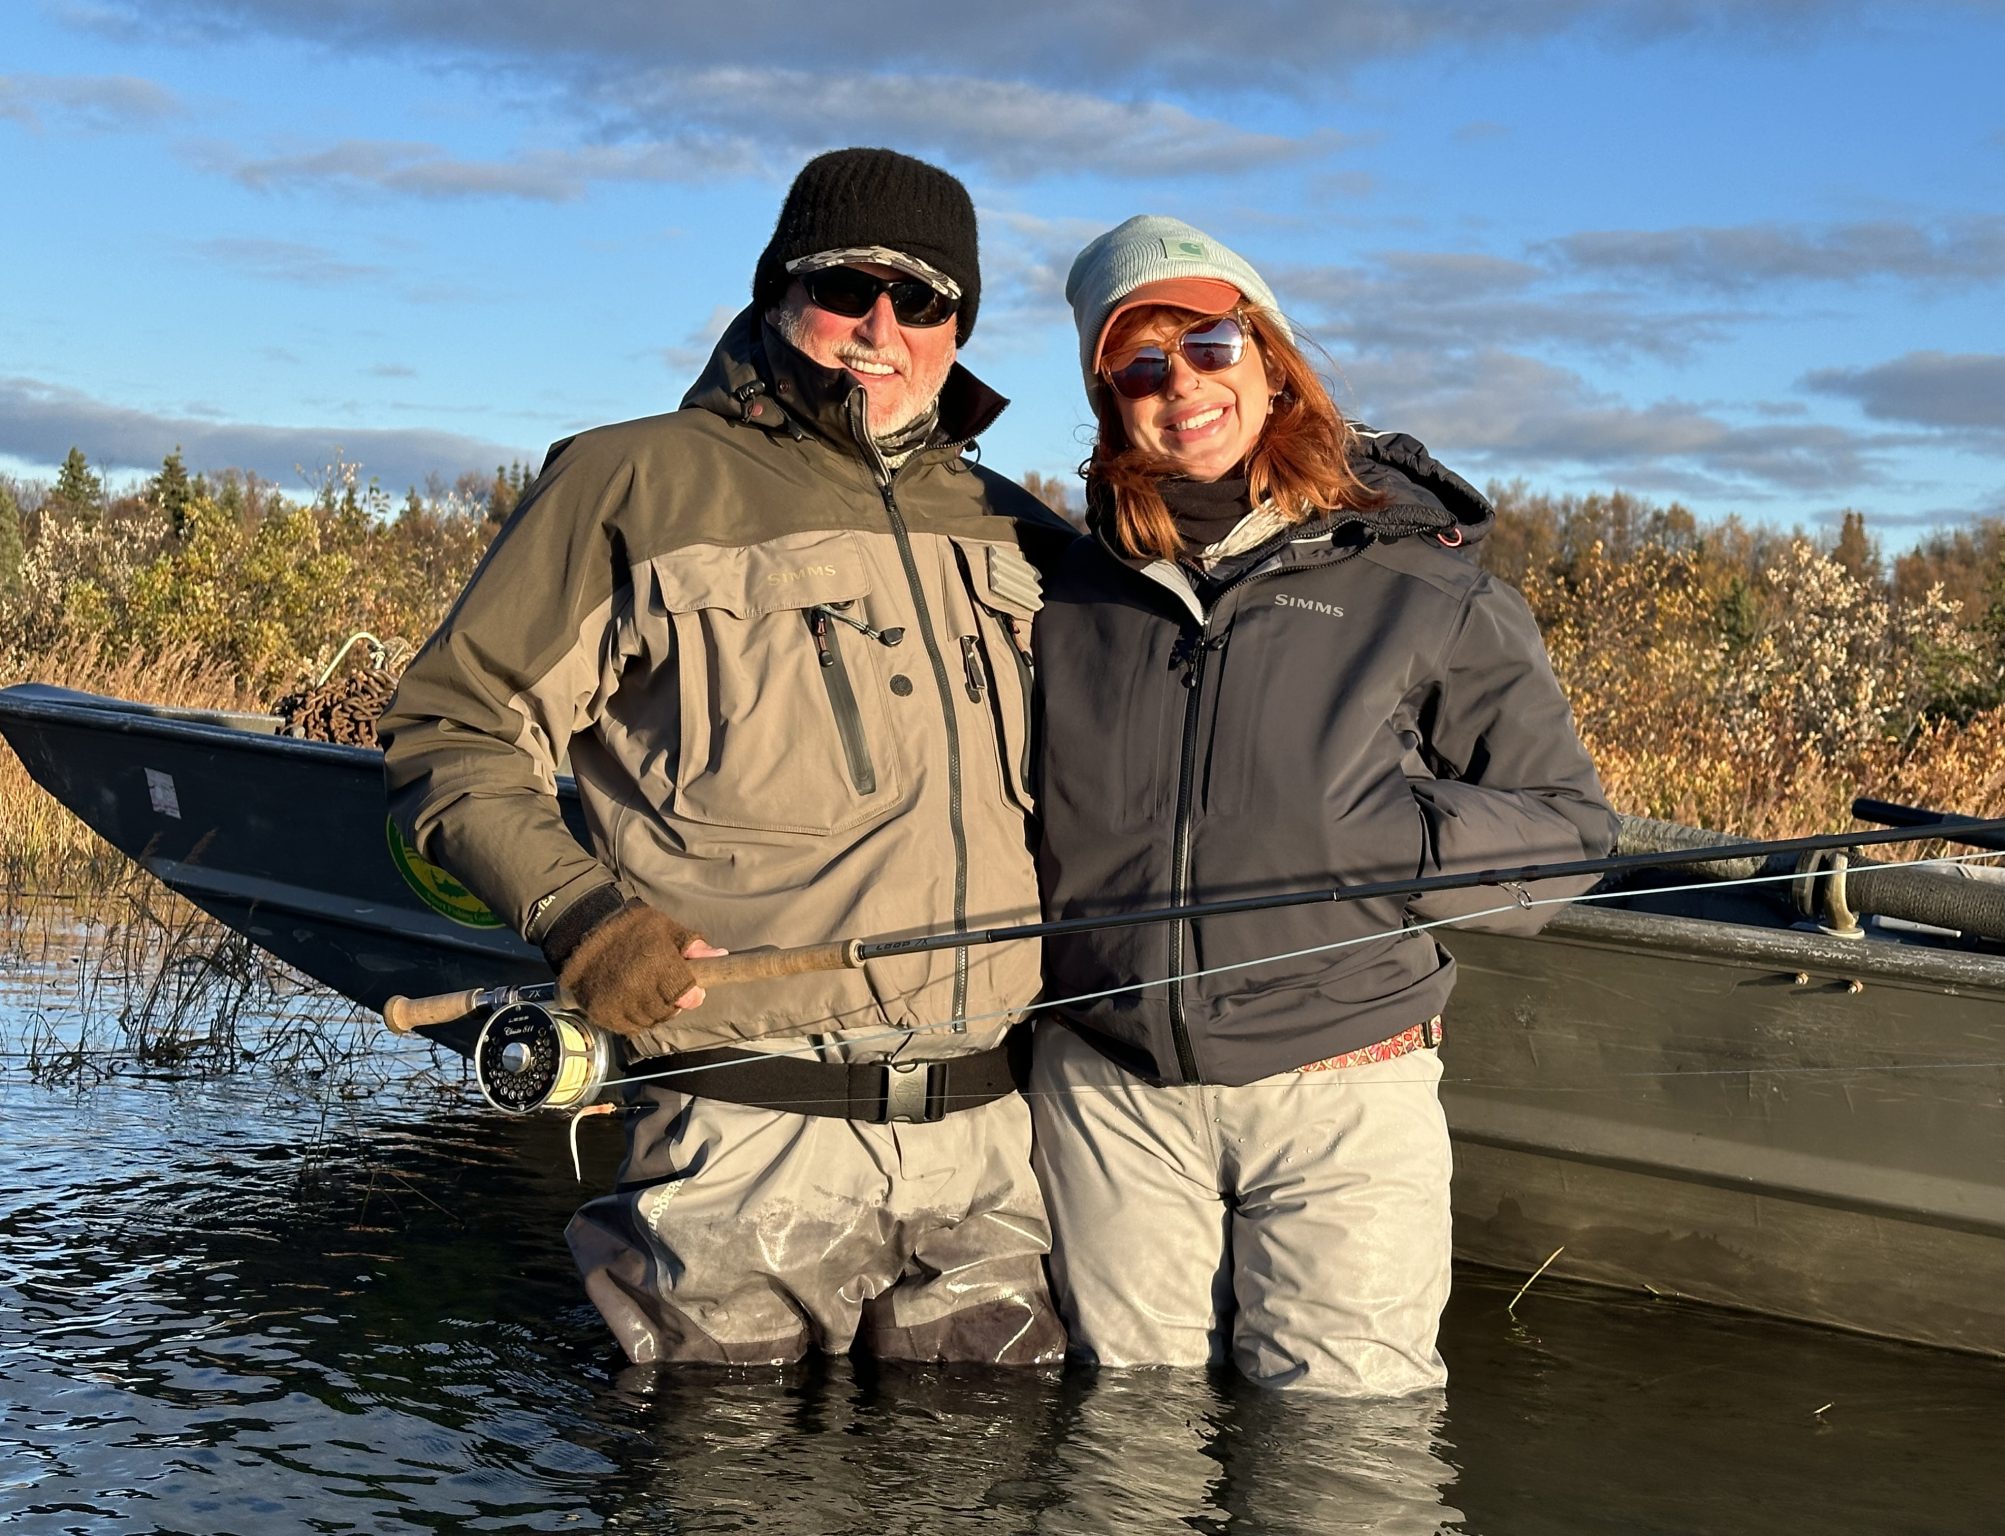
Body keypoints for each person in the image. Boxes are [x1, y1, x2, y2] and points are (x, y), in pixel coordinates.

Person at [381, 147, 1074, 1368]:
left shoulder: (1016, 527)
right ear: (774, 291)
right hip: (735, 1147)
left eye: (921, 300)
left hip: (991, 1151)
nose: (880, 329)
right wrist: (582, 918)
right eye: (846, 286)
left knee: (985, 1458)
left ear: (957, 329)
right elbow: (455, 730)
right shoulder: (631, 480)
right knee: (722, 1460)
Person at [1027, 215, 1616, 1395]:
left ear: (1269, 358)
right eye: (1137, 365)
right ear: (1106, 403)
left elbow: (1567, 833)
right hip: (1105, 1094)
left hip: (1343, 1085)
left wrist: (1382, 842)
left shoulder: (1427, 589)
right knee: (1125, 1441)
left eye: (1208, 345)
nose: (1179, 385)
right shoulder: (1055, 593)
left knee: (1345, 1445)